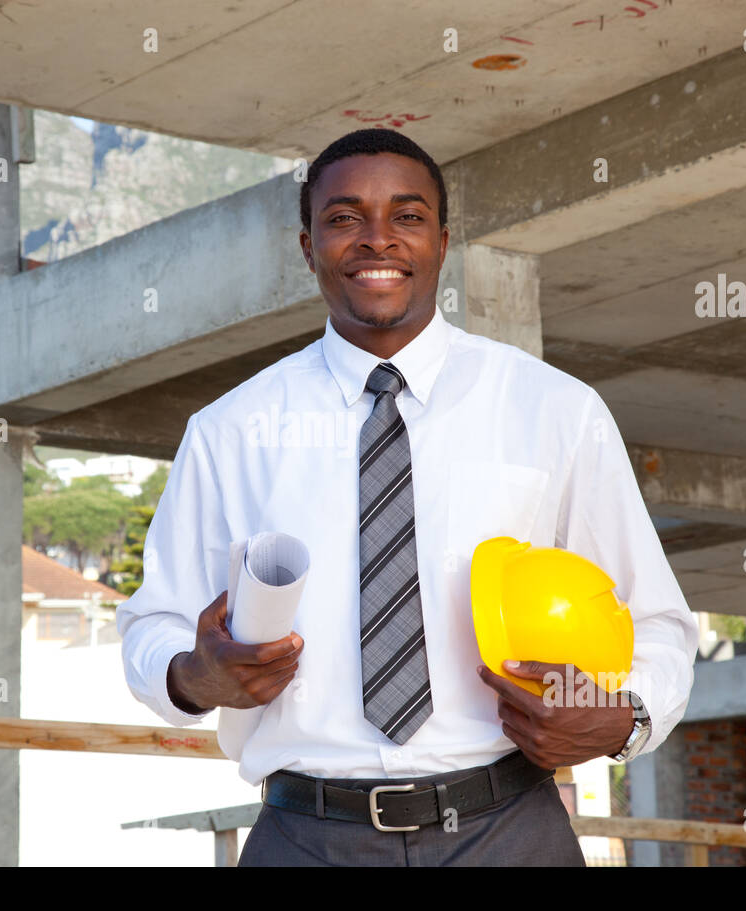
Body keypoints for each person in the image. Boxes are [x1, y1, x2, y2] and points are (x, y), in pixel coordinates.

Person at [117, 128, 698, 866]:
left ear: (444, 242)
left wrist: (622, 721)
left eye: (408, 216)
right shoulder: (229, 431)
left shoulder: (556, 410)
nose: (377, 239)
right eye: (344, 217)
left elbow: (657, 625)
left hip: (510, 829)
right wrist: (194, 675)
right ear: (307, 246)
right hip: (305, 836)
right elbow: (152, 623)